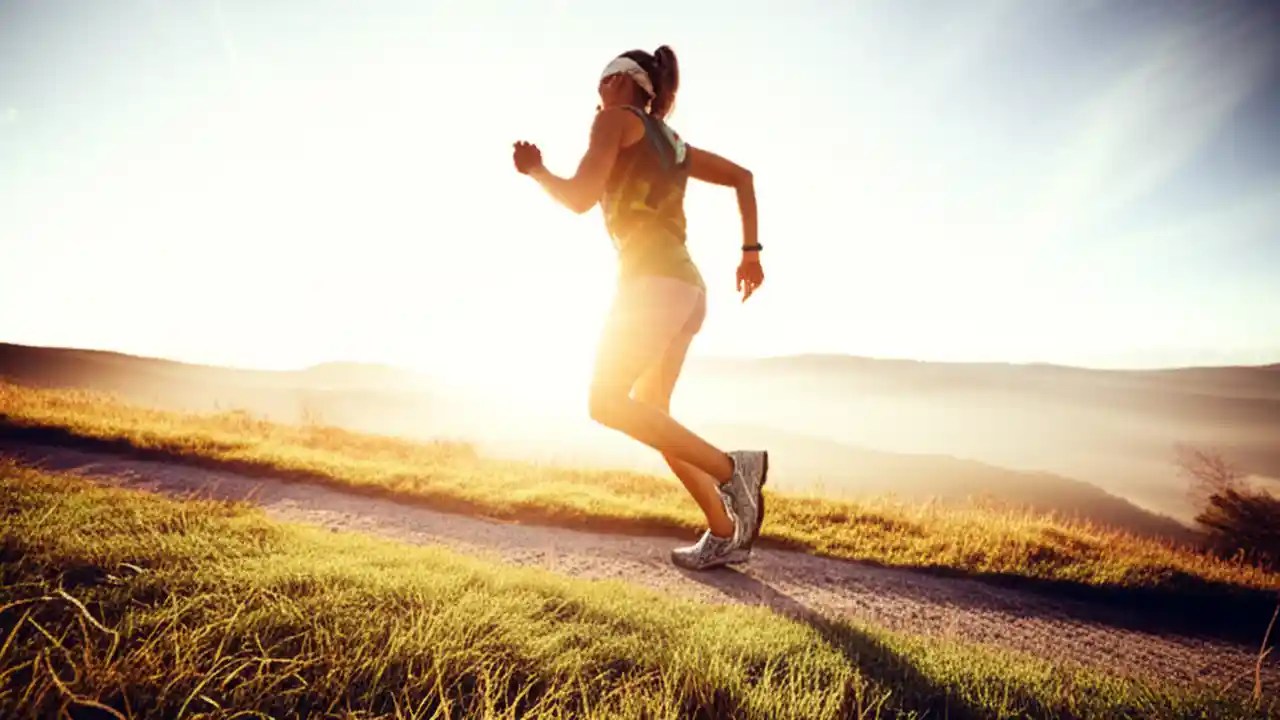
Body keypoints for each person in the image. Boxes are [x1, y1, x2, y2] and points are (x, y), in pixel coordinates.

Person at [511, 46, 768, 571]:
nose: (598, 93)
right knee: (653, 412)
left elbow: (580, 197)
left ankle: (732, 469)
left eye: (602, 82)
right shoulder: (671, 142)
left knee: (605, 402)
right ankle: (724, 533)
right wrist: (750, 254)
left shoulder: (614, 120)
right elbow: (743, 177)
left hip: (652, 285)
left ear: (620, 81)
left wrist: (536, 171)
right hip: (687, 288)